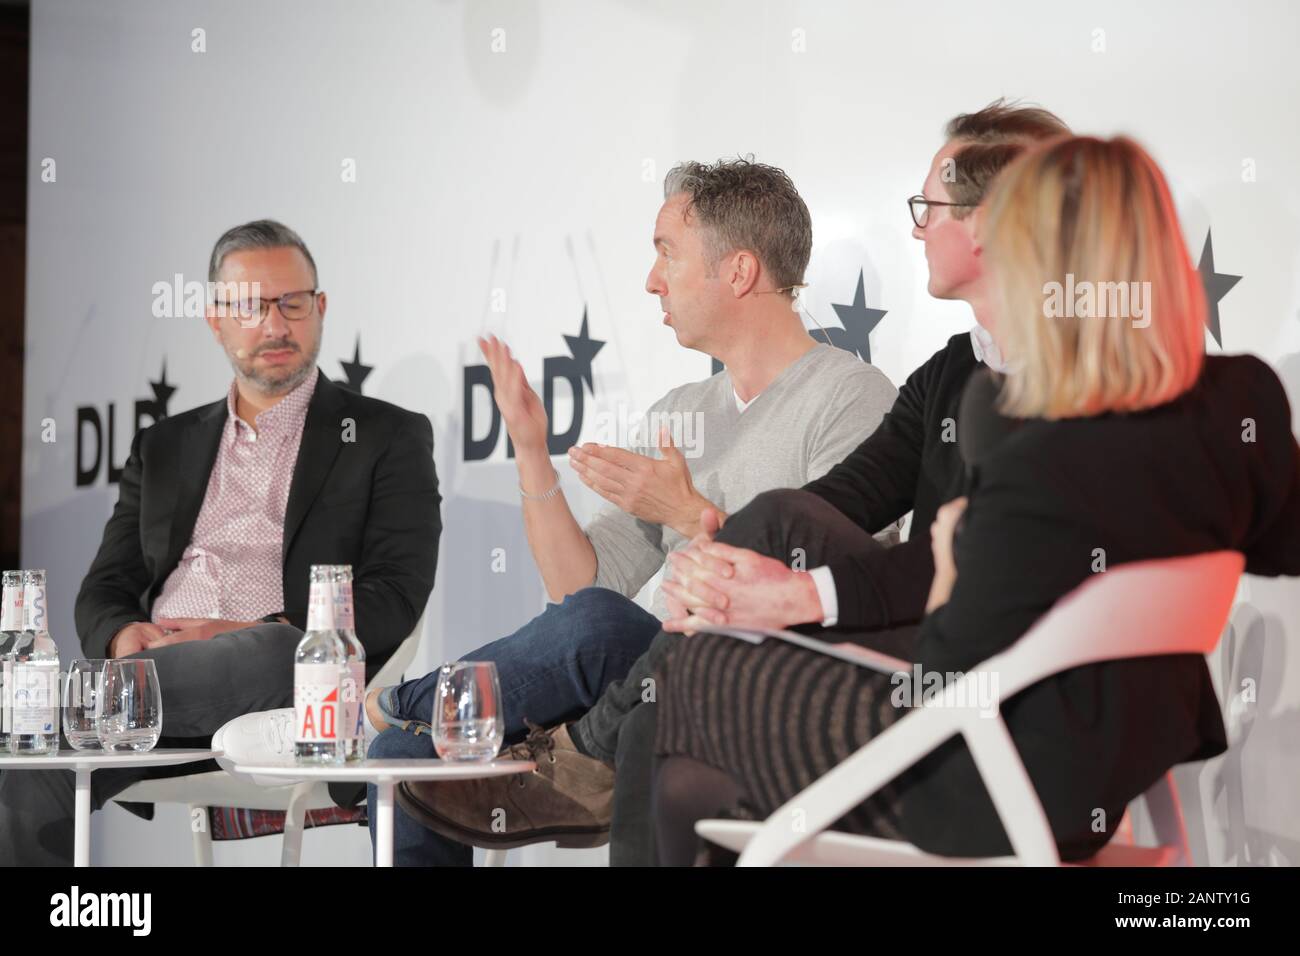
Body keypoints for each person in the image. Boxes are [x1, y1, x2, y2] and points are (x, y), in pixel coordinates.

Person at [399, 101, 1071, 864]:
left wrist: (706, 527)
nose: (918, 227)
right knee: (661, 670)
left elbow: (902, 562)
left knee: (630, 637)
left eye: (931, 208)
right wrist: (536, 454)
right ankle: (473, 734)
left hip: (946, 669)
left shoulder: (897, 389)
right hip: (735, 642)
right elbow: (819, 512)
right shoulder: (949, 372)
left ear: (990, 222)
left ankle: (532, 739)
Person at [651, 134, 1300, 864]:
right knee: (688, 782)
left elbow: (949, 657)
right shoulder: (1246, 398)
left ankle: (594, 747)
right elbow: (1280, 545)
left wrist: (944, 565)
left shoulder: (1023, 425)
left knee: (696, 672)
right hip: (1120, 764)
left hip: (990, 776)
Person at [369, 158, 899, 865]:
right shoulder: (678, 412)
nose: (652, 280)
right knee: (405, 757)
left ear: (738, 272)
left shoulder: (851, 396)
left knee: (595, 629)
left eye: (666, 254)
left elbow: (835, 580)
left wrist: (691, 516)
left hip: (766, 670)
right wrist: (531, 449)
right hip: (649, 669)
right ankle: (399, 718)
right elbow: (576, 589)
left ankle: (397, 701)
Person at [0, 220, 441, 866]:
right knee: (28, 765)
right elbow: (106, 588)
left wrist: (236, 630)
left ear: (320, 310)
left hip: (290, 677)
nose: (274, 325)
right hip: (156, 697)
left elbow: (395, 594)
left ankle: (76, 698)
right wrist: (126, 638)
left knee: (269, 650)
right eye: (249, 307)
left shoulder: (386, 436)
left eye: (292, 303)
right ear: (214, 320)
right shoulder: (164, 446)